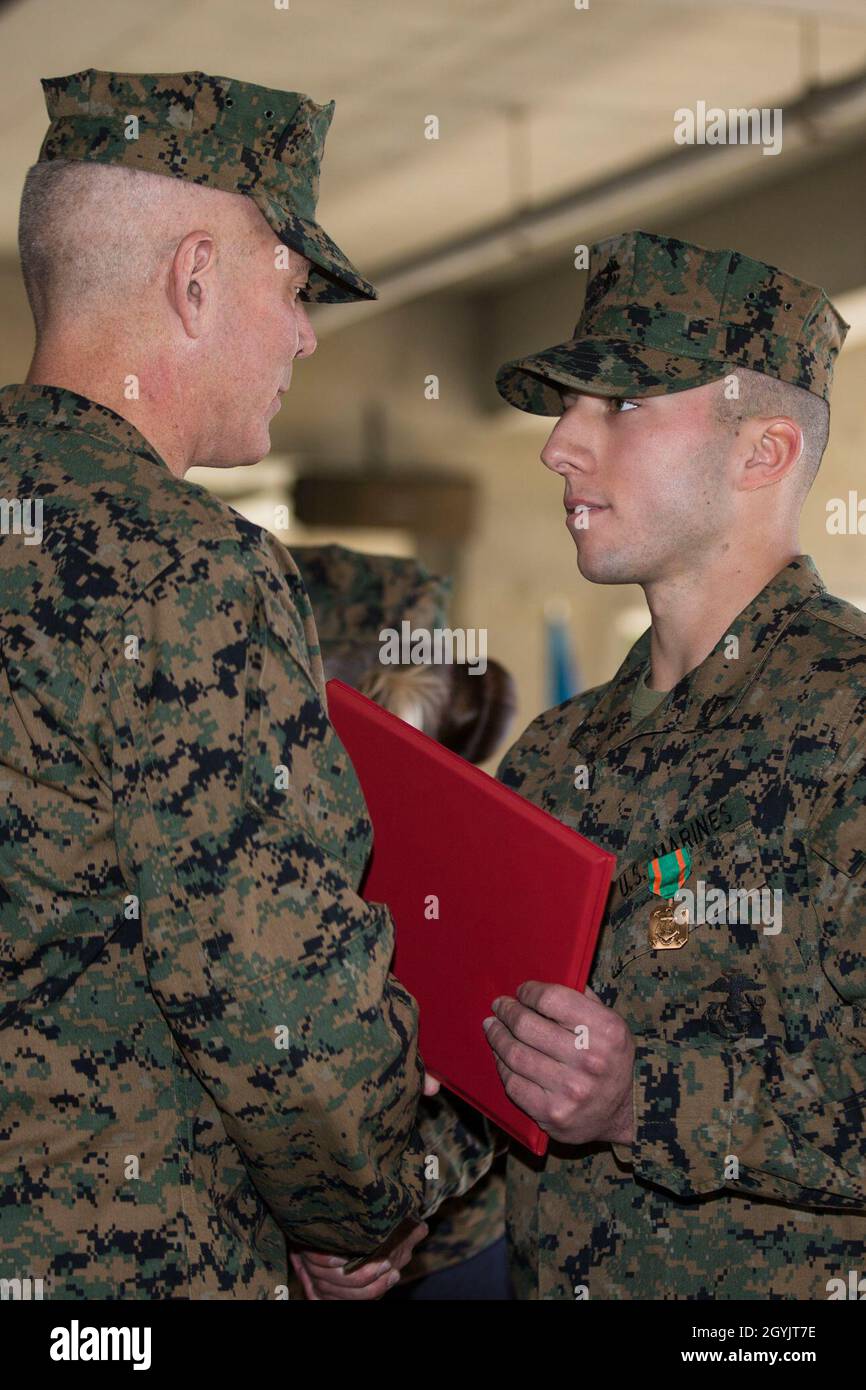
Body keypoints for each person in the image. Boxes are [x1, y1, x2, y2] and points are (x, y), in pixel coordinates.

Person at [0, 69, 494, 1301]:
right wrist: (380, 1203)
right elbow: (280, 1014)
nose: (307, 334)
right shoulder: (185, 569)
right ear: (196, 280)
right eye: (293, 287)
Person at [483, 229, 866, 1299]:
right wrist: (387, 1232)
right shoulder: (557, 756)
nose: (559, 444)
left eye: (618, 406)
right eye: (567, 406)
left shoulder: (848, 727)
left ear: (763, 452)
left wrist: (638, 1099)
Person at [290, 542, 515, 1299]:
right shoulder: (271, 846)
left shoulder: (476, 865)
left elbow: (490, 1077)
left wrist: (378, 1222)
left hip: (447, 1244)